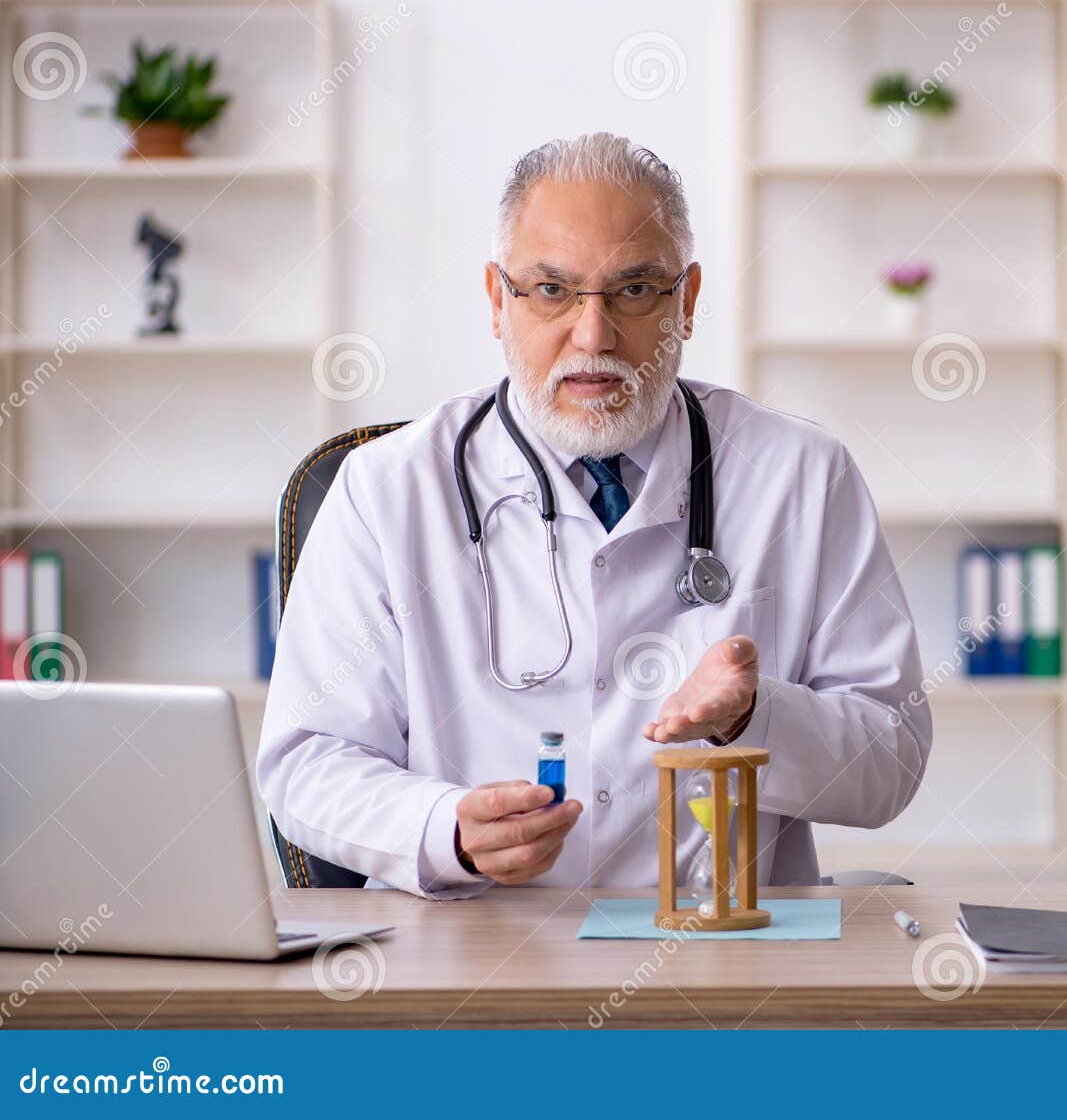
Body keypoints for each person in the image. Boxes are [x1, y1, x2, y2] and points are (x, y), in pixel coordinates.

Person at [256, 132, 932, 898]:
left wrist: (757, 720)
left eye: (634, 290)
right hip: (466, 963)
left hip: (719, 965)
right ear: (495, 300)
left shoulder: (801, 476)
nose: (594, 335)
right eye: (552, 291)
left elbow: (893, 757)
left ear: (688, 300)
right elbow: (307, 761)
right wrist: (446, 830)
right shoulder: (386, 490)